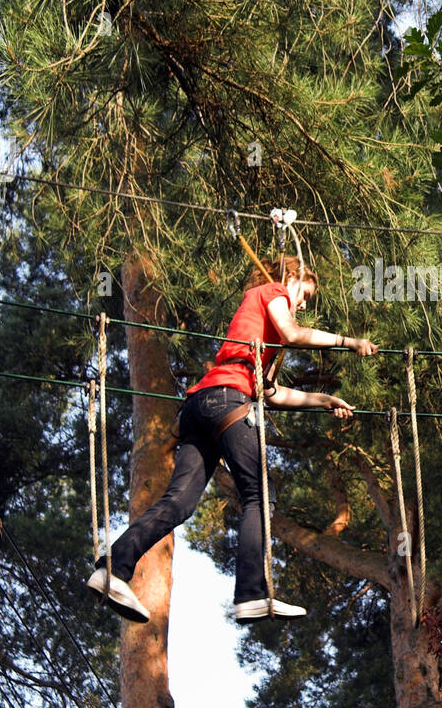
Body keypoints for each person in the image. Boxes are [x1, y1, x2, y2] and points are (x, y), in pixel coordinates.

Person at [86, 254, 377, 624]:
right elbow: (292, 333)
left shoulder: (256, 334)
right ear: (290, 277)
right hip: (228, 400)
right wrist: (348, 341)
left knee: (179, 503)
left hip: (201, 405)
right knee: (256, 496)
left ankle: (113, 568)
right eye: (304, 293)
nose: (303, 303)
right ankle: (251, 594)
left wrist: (322, 400)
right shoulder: (271, 292)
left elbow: (269, 392)